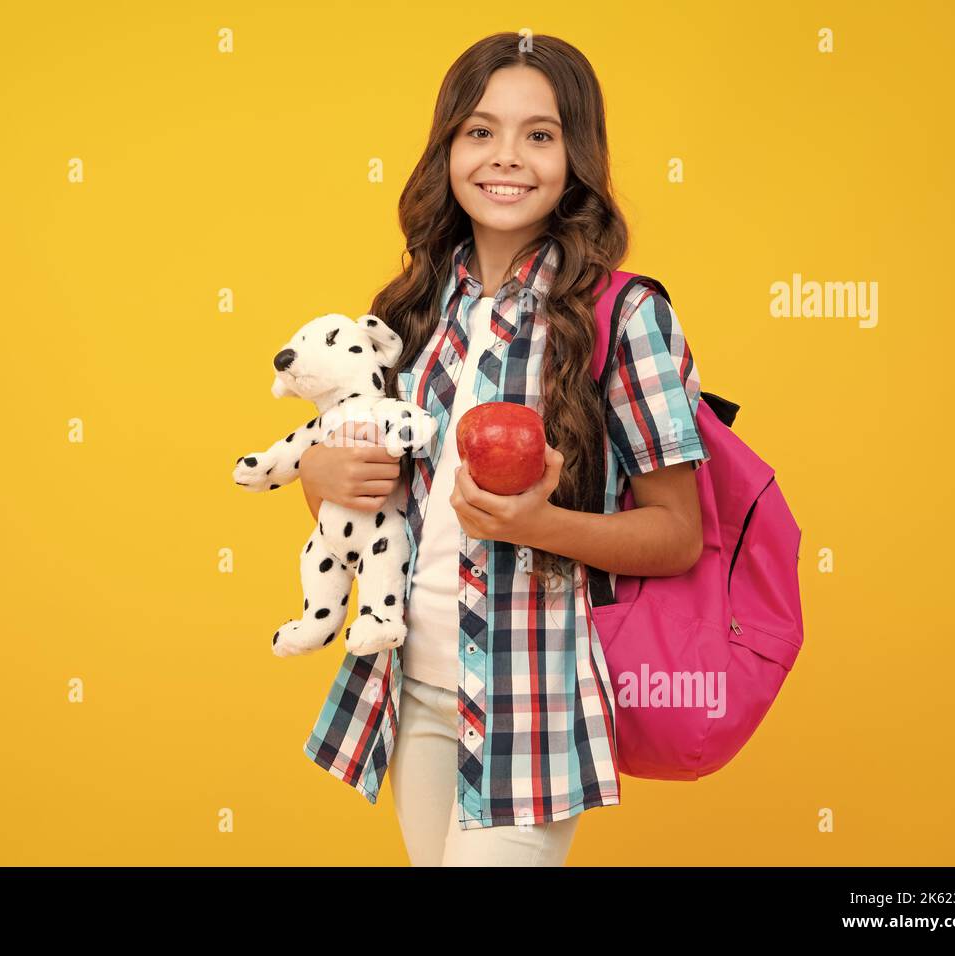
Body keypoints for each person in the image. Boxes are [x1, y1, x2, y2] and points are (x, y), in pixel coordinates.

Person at [298, 32, 710, 866]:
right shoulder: (409, 312)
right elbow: (373, 511)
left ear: (576, 156)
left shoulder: (622, 317)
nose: (506, 158)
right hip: (411, 693)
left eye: (540, 134)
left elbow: (679, 534)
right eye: (480, 131)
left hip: (532, 709)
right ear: (448, 146)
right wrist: (318, 474)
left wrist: (537, 523)